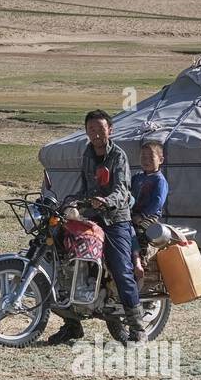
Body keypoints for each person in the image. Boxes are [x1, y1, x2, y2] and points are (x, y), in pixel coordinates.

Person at [46, 109, 145, 345]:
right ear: (86, 132)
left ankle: (138, 329)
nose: (96, 134)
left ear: (110, 130)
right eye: (92, 130)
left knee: (121, 269)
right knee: (63, 263)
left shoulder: (118, 156)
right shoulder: (87, 154)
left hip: (115, 219)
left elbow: (122, 190)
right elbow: (85, 188)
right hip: (91, 217)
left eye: (101, 129)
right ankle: (72, 325)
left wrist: (106, 201)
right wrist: (70, 201)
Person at [129, 141, 169, 281]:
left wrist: (142, 216)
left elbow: (158, 201)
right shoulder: (137, 177)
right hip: (131, 214)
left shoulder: (160, 180)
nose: (146, 160)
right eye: (143, 157)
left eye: (150, 157)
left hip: (149, 216)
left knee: (140, 232)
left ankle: (143, 258)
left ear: (161, 160)